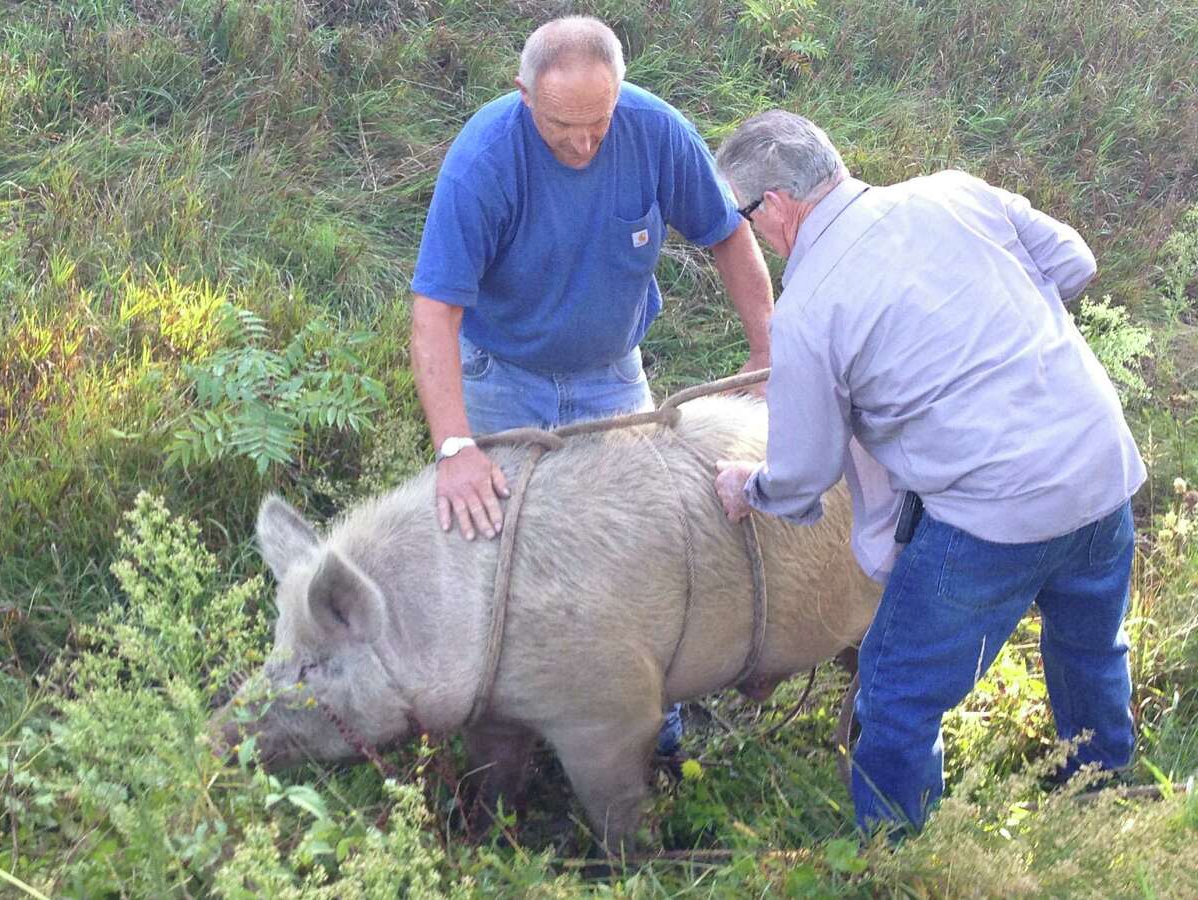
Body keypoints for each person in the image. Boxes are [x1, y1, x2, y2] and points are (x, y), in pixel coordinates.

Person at [710, 110, 1145, 835]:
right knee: (1089, 647)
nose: (753, 229)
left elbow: (804, 474)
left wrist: (747, 487)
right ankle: (1101, 802)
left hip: (992, 517)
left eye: (747, 215)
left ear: (776, 206)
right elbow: (1075, 263)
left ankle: (898, 856)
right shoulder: (955, 191)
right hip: (1100, 468)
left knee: (898, 693)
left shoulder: (809, 310)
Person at [409, 16, 774, 755]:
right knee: (496, 554)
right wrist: (454, 447)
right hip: (503, 380)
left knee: (637, 553)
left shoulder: (655, 131)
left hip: (611, 377)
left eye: (598, 124)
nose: (582, 143)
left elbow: (729, 237)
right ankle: (501, 744)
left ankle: (651, 732)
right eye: (561, 126)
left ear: (620, 94)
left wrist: (770, 360)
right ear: (522, 96)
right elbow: (435, 311)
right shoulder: (483, 160)